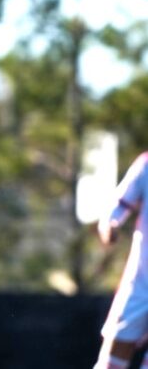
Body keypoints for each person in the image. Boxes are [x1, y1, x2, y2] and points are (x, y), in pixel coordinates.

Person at [95, 152, 148, 369]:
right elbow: (113, 211)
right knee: (112, 360)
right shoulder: (146, 165)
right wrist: (110, 226)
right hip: (141, 282)